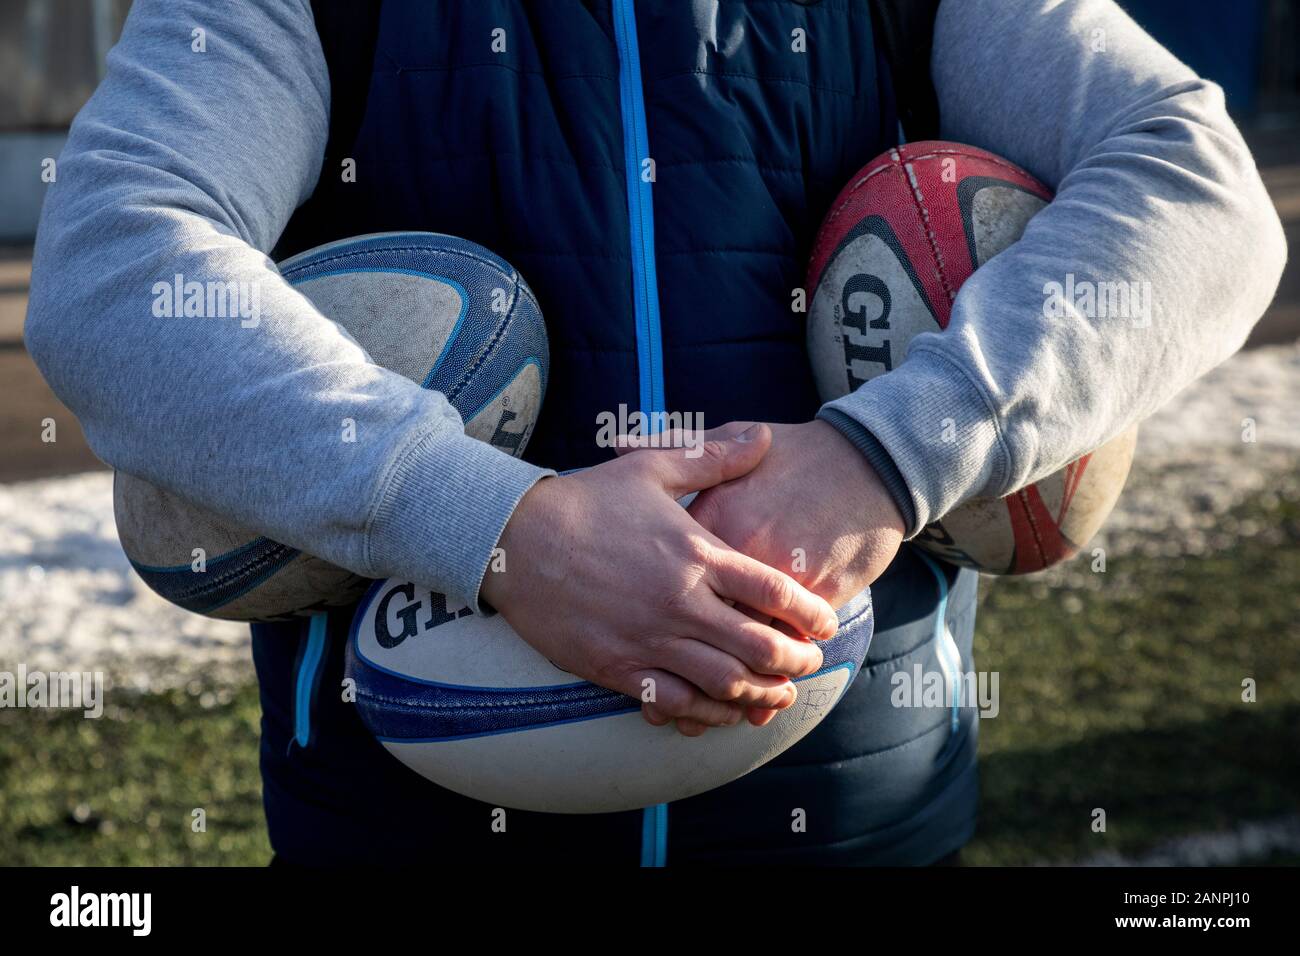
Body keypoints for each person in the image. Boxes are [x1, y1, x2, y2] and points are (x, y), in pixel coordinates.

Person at [25, 0, 1285, 865]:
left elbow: (1197, 185)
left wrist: (883, 457)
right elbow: (112, 257)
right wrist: (496, 526)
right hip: (400, 826)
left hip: (859, 816)